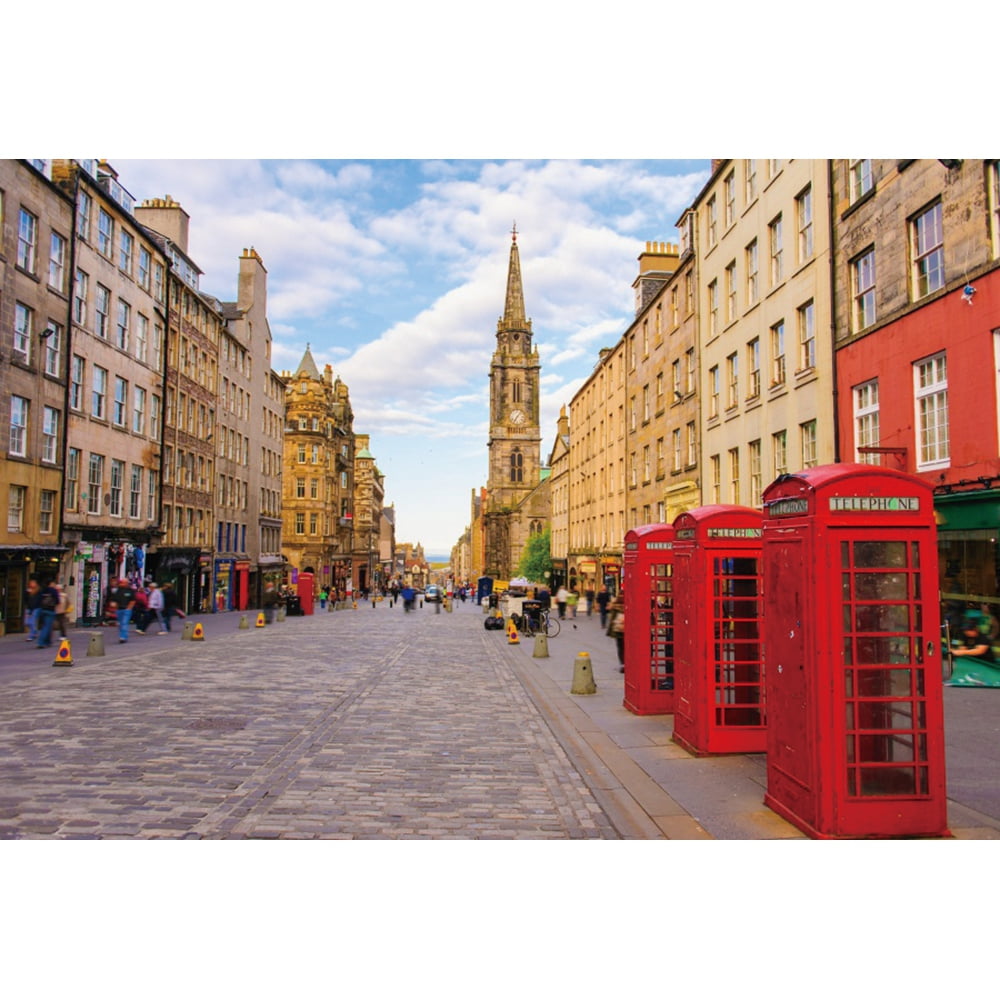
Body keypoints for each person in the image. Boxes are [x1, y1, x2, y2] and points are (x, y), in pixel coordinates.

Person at [34, 579, 61, 649]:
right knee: (47, 627)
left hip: (42, 610)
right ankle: (41, 642)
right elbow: (58, 601)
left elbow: (38, 600)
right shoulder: (53, 590)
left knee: (47, 626)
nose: (55, 584)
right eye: (54, 583)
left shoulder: (43, 590)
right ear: (51, 583)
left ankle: (48, 641)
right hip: (50, 610)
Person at [109, 578, 136, 643]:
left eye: (123, 582)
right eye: (121, 582)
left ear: (127, 583)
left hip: (126, 610)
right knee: (120, 624)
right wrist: (114, 606)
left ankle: (123, 637)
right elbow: (114, 600)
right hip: (119, 610)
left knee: (124, 623)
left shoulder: (130, 591)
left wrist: (129, 608)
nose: (122, 584)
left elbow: (133, 600)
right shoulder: (118, 591)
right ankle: (123, 635)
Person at [606, 592, 625, 672]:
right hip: (628, 632)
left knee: (620, 648)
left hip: (618, 631)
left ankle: (623, 665)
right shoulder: (631, 605)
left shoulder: (615, 607)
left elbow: (611, 619)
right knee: (628, 649)